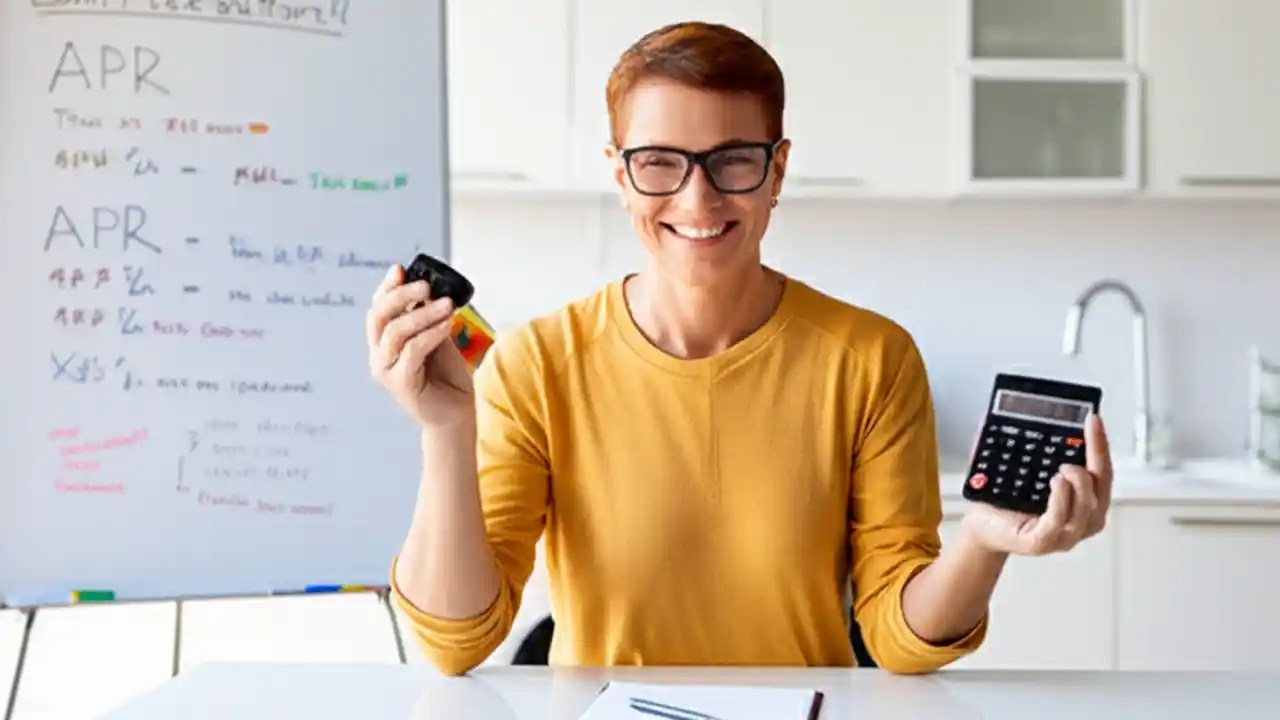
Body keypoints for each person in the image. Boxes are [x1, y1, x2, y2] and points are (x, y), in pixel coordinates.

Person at [366, 21, 1114, 677]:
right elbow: (455, 642)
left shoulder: (871, 360)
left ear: (777, 172)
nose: (698, 199)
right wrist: (445, 430)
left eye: (733, 161)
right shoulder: (540, 363)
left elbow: (893, 636)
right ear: (620, 175)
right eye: (659, 161)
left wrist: (983, 544)